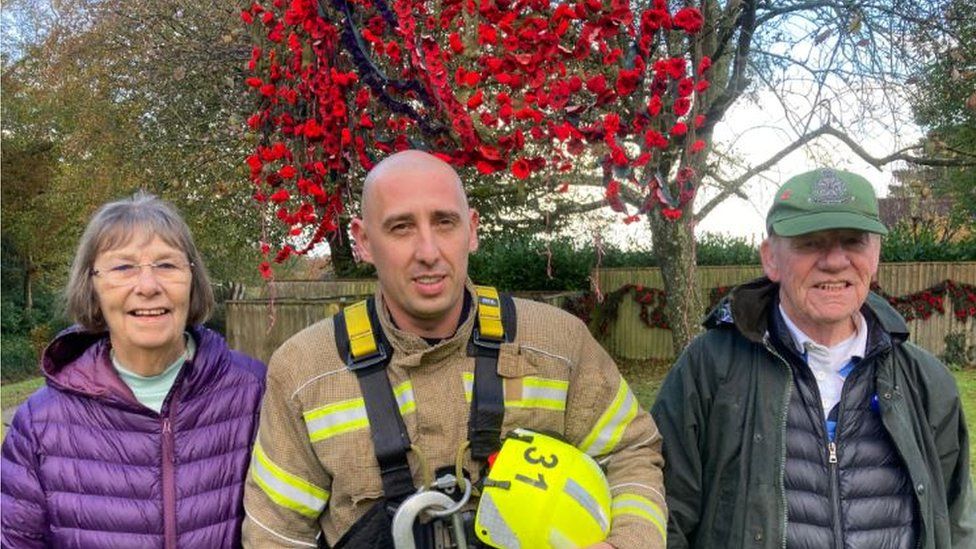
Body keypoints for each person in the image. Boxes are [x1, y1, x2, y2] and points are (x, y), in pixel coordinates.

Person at [242, 150, 667, 548]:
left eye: (445, 222)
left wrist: (629, 541)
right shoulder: (305, 370)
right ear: (364, 240)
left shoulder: (558, 343)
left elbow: (630, 453)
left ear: (473, 229)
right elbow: (275, 531)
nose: (428, 252)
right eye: (401, 227)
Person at [651, 168, 974, 549]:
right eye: (809, 242)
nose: (835, 261)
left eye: (854, 241)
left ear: (875, 256)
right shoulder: (708, 369)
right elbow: (662, 517)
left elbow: (956, 524)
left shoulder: (924, 380)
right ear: (771, 258)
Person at [0, 192, 266, 548]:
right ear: (92, 286)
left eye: (167, 265)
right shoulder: (39, 424)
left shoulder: (256, 393)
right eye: (123, 267)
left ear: (193, 279)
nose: (148, 286)